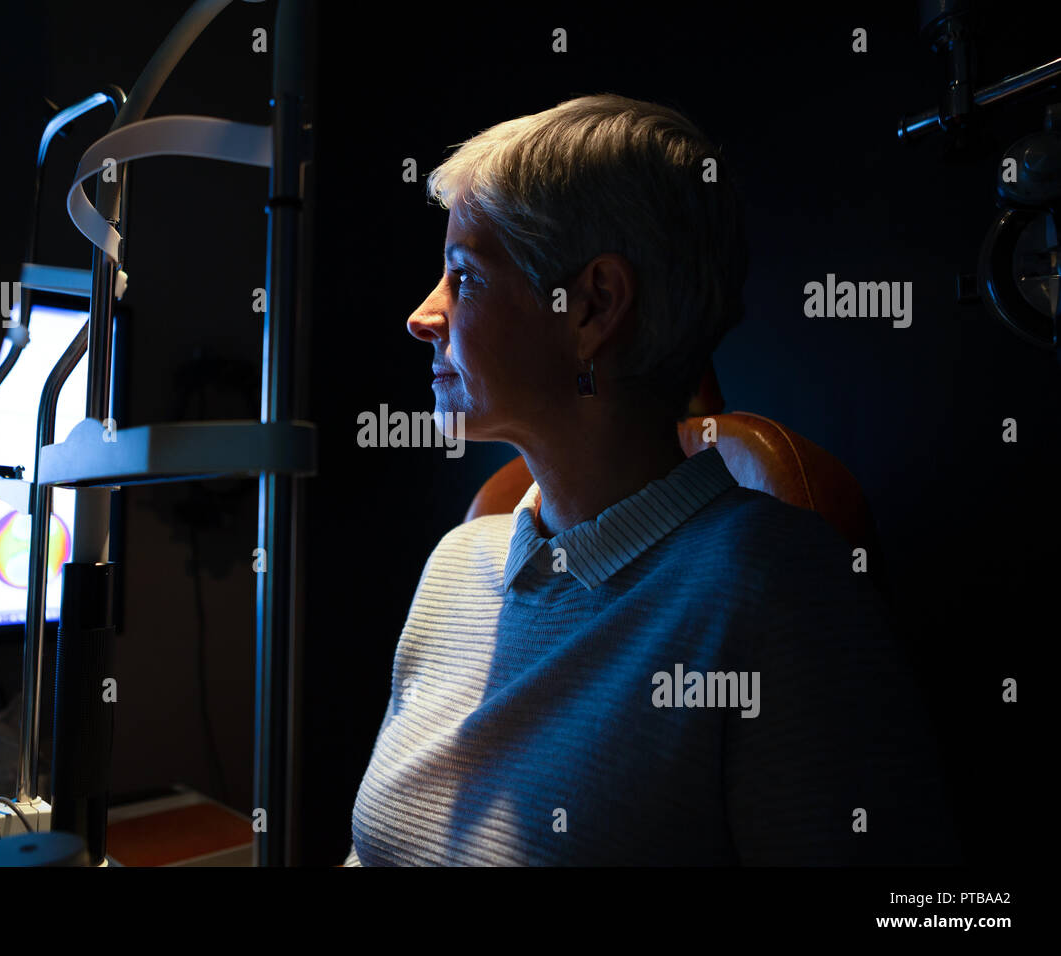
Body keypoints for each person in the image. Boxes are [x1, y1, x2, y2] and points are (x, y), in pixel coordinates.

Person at [343, 94, 959, 866]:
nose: (420, 315)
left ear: (592, 306)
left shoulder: (775, 594)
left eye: (463, 277)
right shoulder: (455, 567)